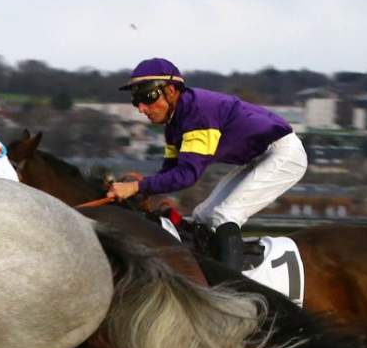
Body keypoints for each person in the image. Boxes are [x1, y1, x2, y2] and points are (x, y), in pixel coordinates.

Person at [106, 57, 307, 271]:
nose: (142, 108)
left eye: (148, 97)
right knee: (202, 216)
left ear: (172, 91)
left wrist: (137, 186)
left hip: (284, 154)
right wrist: (141, 190)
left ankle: (232, 289)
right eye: (136, 100)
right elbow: (170, 171)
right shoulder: (174, 125)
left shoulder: (198, 114)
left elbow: (187, 176)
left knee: (224, 216)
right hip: (260, 157)